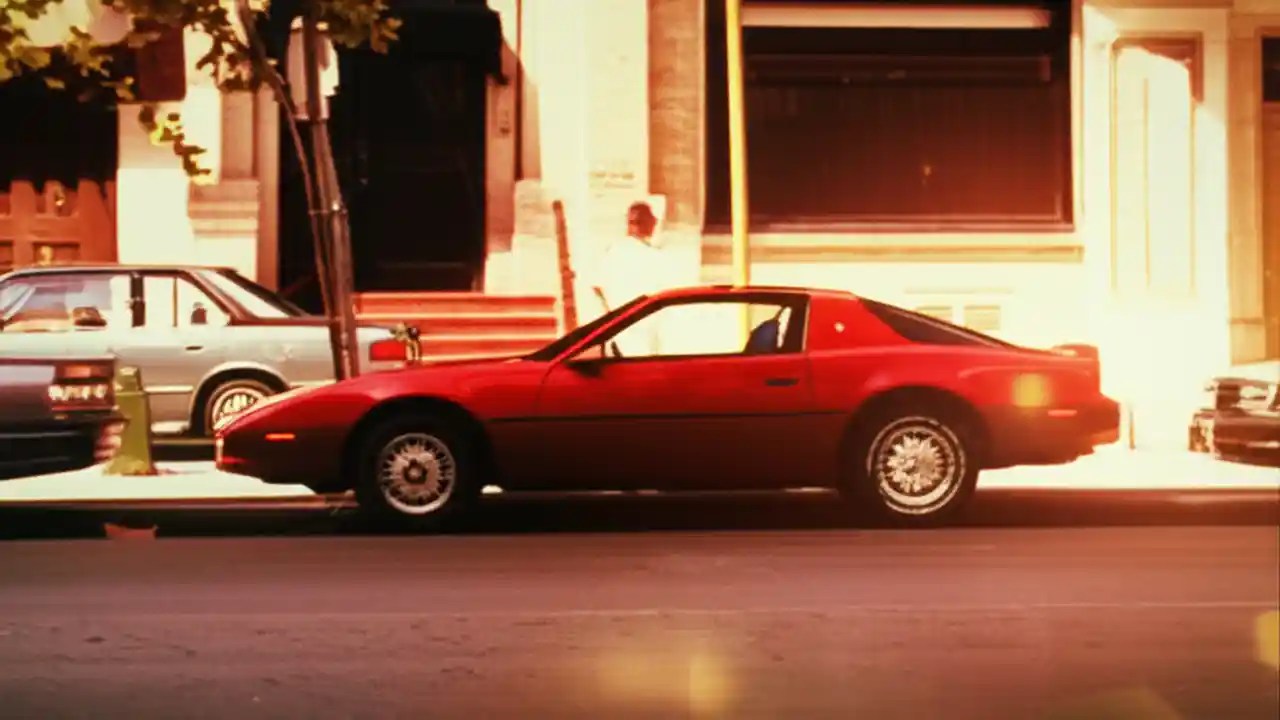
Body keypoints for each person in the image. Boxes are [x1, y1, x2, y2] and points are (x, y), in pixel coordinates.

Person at [590, 201, 672, 356]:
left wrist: (610, 314)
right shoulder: (653, 256)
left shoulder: (613, 251)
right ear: (650, 223)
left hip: (620, 329)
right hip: (642, 329)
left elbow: (597, 286)